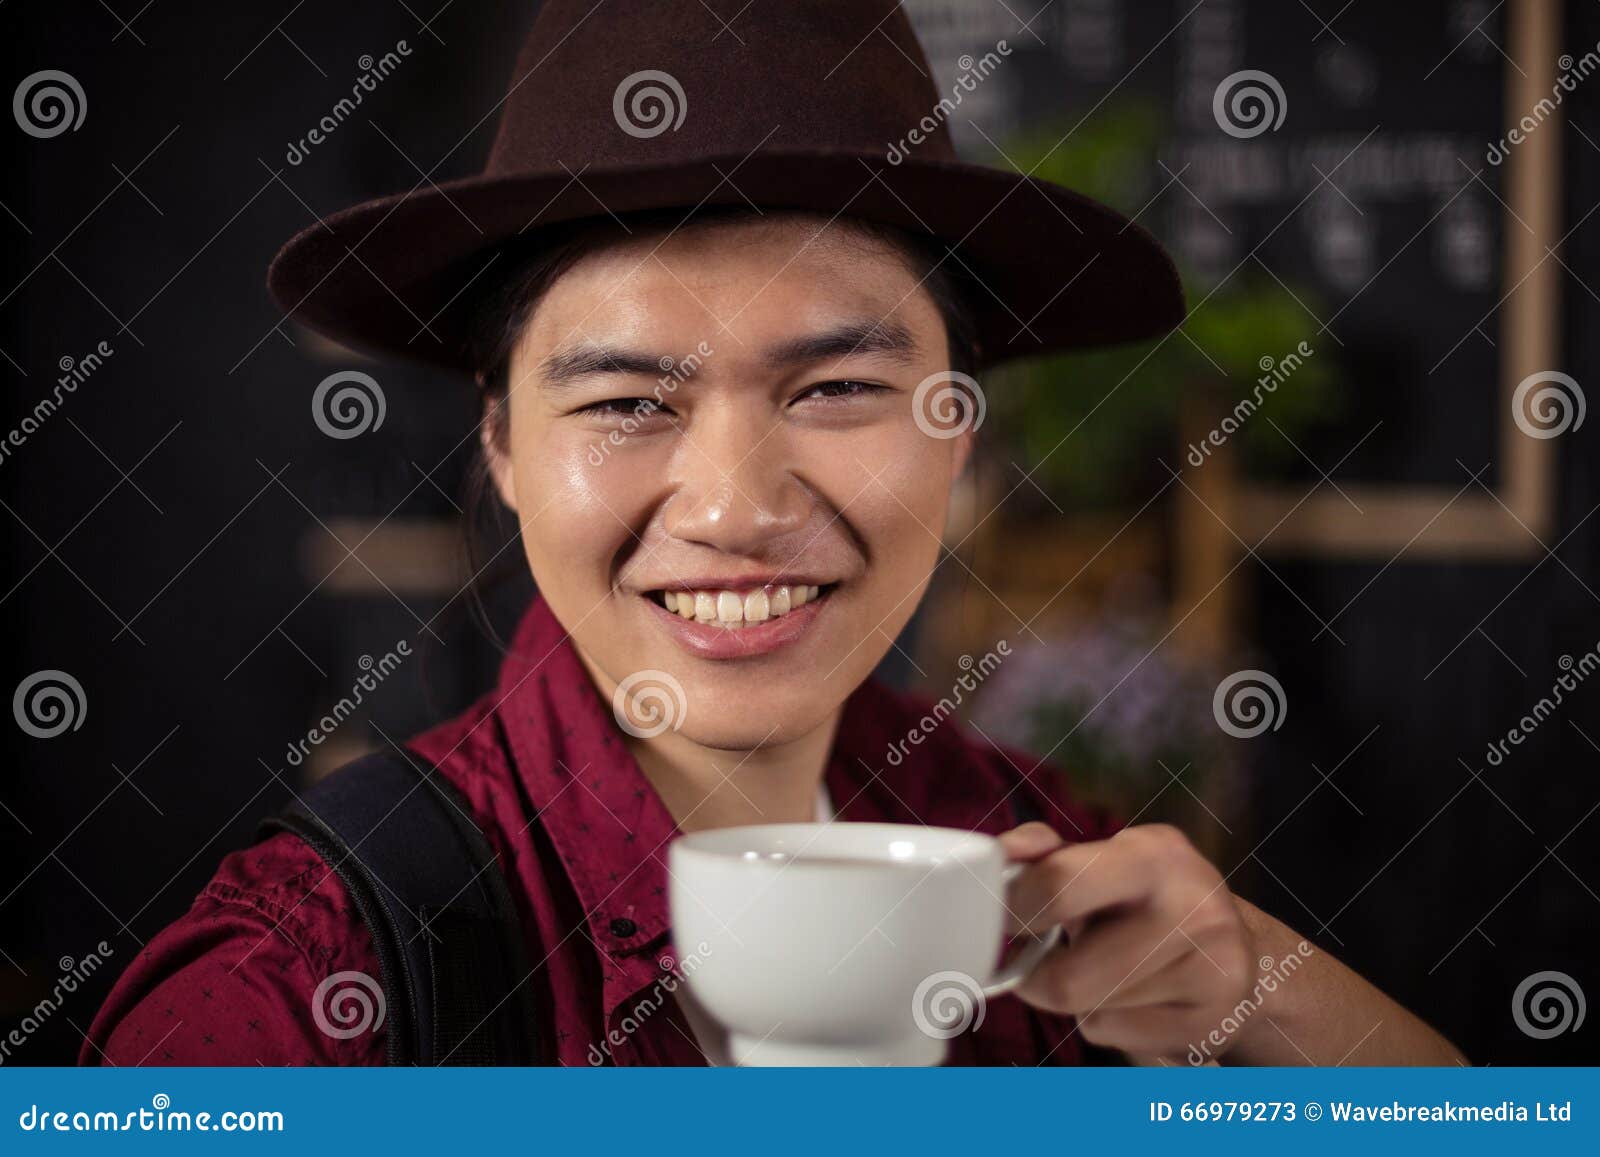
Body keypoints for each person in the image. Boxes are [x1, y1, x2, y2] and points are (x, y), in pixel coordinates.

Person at [83, 0, 1463, 1067]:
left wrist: (1260, 985)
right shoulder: (308, 981)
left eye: (839, 389)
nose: (737, 509)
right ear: (503, 447)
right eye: (628, 402)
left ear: (957, 427)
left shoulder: (1027, 854)